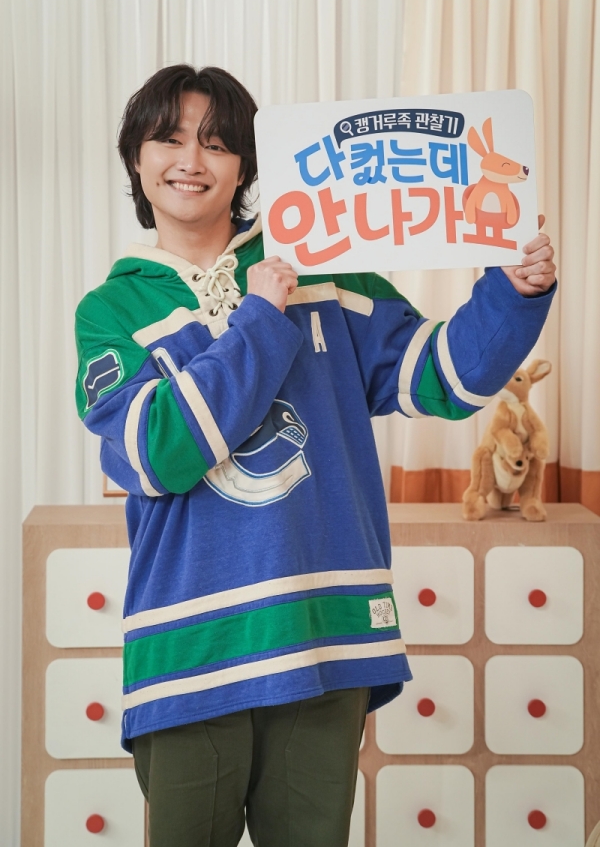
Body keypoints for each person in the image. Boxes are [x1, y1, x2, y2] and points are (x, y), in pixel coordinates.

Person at [74, 64, 556, 847]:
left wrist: (514, 291)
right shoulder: (109, 312)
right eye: (169, 139)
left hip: (323, 629)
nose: (192, 160)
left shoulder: (324, 271)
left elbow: (442, 378)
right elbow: (161, 452)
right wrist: (263, 319)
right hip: (191, 643)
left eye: (217, 143)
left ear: (246, 166)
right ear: (137, 156)